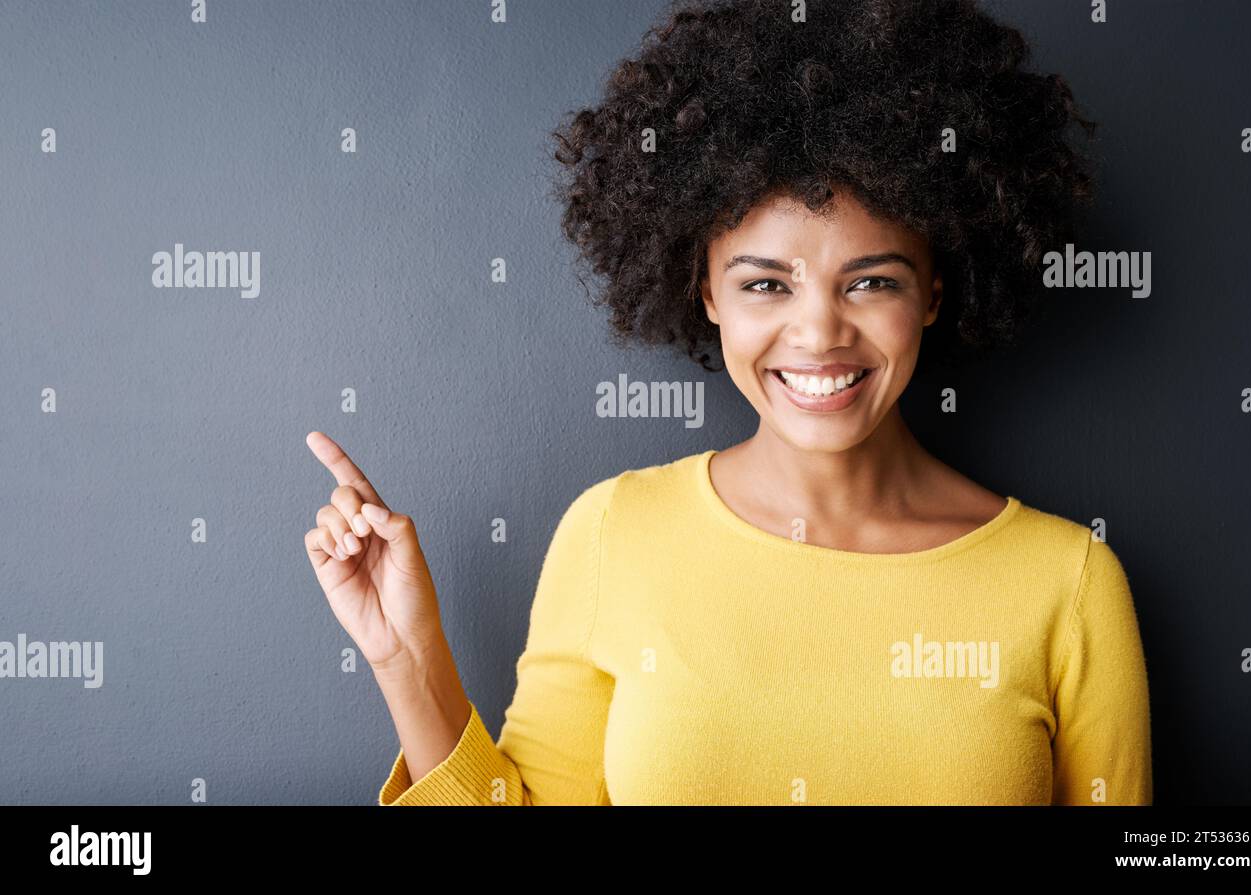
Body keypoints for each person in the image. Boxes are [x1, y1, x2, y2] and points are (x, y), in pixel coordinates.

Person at [303, 0, 1153, 805]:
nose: (818, 333)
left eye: (871, 281)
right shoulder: (612, 534)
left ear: (934, 289)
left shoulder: (1069, 584)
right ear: (704, 289)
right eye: (765, 283)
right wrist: (406, 658)